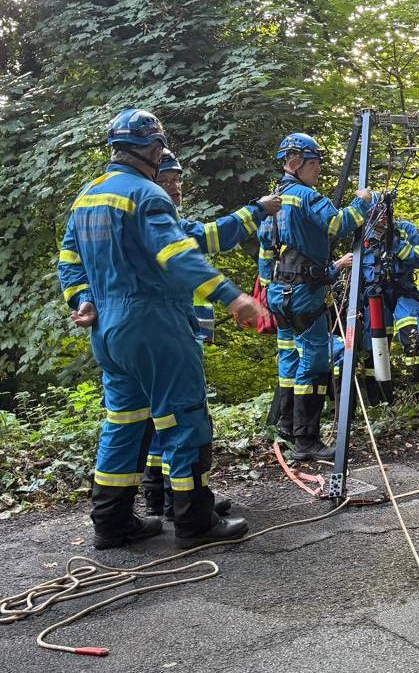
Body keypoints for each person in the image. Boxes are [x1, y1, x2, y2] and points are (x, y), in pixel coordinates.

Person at [57, 108, 262, 549]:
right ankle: (194, 522)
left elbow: (69, 260)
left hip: (108, 331)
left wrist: (82, 299)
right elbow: (175, 254)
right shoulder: (147, 195)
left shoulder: (88, 196)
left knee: (124, 422)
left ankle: (111, 524)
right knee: (185, 418)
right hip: (154, 323)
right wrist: (232, 296)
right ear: (152, 149)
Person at [141, 149, 281, 520]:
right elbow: (213, 236)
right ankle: (181, 503)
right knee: (180, 416)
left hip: (175, 330)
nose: (173, 189)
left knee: (162, 417)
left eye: (177, 182)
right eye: (165, 181)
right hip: (169, 332)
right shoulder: (163, 225)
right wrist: (258, 209)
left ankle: (167, 497)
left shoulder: (166, 221)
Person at [263, 132, 375, 461]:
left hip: (278, 292)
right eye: (314, 165)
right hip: (305, 293)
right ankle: (306, 440)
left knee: (289, 358)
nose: (318, 171)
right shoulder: (306, 196)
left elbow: (263, 242)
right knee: (313, 362)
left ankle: (285, 427)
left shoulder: (273, 198)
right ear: (297, 163)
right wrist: (363, 201)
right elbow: (339, 224)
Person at [357, 206, 419, 403]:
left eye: (383, 213)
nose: (380, 218)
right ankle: (377, 400)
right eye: (375, 213)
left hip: (402, 292)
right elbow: (356, 271)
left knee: (413, 337)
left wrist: (394, 242)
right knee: (375, 346)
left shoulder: (406, 229)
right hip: (374, 296)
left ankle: (417, 394)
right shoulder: (362, 234)